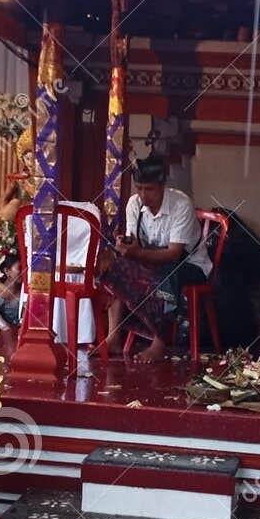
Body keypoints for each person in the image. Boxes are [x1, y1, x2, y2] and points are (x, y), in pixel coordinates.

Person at [100, 156, 212, 363]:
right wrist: (125, 247)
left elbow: (174, 254)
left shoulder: (181, 204)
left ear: (162, 186)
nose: (143, 195)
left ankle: (160, 342)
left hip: (189, 265)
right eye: (139, 188)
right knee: (117, 269)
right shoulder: (134, 204)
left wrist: (136, 254)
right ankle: (114, 335)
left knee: (167, 273)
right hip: (152, 260)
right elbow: (134, 243)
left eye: (149, 189)